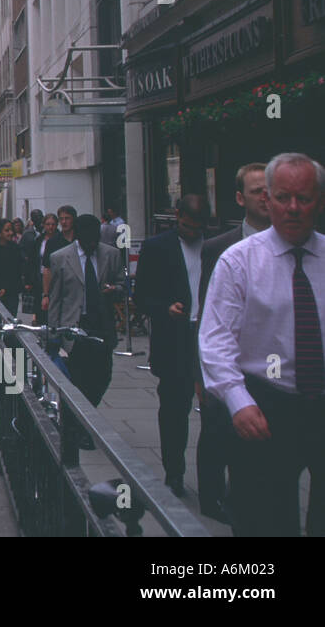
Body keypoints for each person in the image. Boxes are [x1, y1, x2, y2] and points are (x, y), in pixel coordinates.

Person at [200, 153, 325, 537]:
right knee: (266, 524)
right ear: (267, 199)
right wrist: (238, 402)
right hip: (265, 408)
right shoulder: (238, 262)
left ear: (318, 201)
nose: (293, 208)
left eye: (303, 198)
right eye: (283, 197)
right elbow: (215, 341)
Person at [193, 163, 269, 522]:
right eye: (258, 191)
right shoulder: (220, 249)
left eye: (272, 190)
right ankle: (214, 501)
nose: (267, 197)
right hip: (229, 371)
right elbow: (208, 319)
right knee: (218, 437)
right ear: (240, 198)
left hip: (277, 380)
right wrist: (202, 373)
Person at [136, 194, 210, 499]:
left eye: (197, 228)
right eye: (186, 226)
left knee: (215, 415)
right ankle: (174, 473)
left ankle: (212, 484)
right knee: (174, 412)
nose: (191, 233)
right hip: (175, 340)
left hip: (208, 338)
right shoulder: (157, 247)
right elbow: (141, 296)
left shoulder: (216, 245)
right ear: (176, 216)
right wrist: (165, 308)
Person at [48, 214, 126, 430]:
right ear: (77, 235)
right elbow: (56, 297)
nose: (92, 243)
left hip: (101, 324)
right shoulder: (60, 257)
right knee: (79, 378)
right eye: (88, 239)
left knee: (103, 375)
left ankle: (83, 416)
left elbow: (122, 283)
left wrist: (114, 289)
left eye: (95, 239)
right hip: (75, 325)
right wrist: (53, 333)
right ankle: (79, 426)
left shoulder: (110, 255)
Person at [41, 205, 78, 320]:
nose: (64, 222)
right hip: (59, 288)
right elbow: (47, 269)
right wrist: (46, 295)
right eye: (61, 219)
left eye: (67, 218)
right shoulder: (53, 242)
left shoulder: (79, 240)